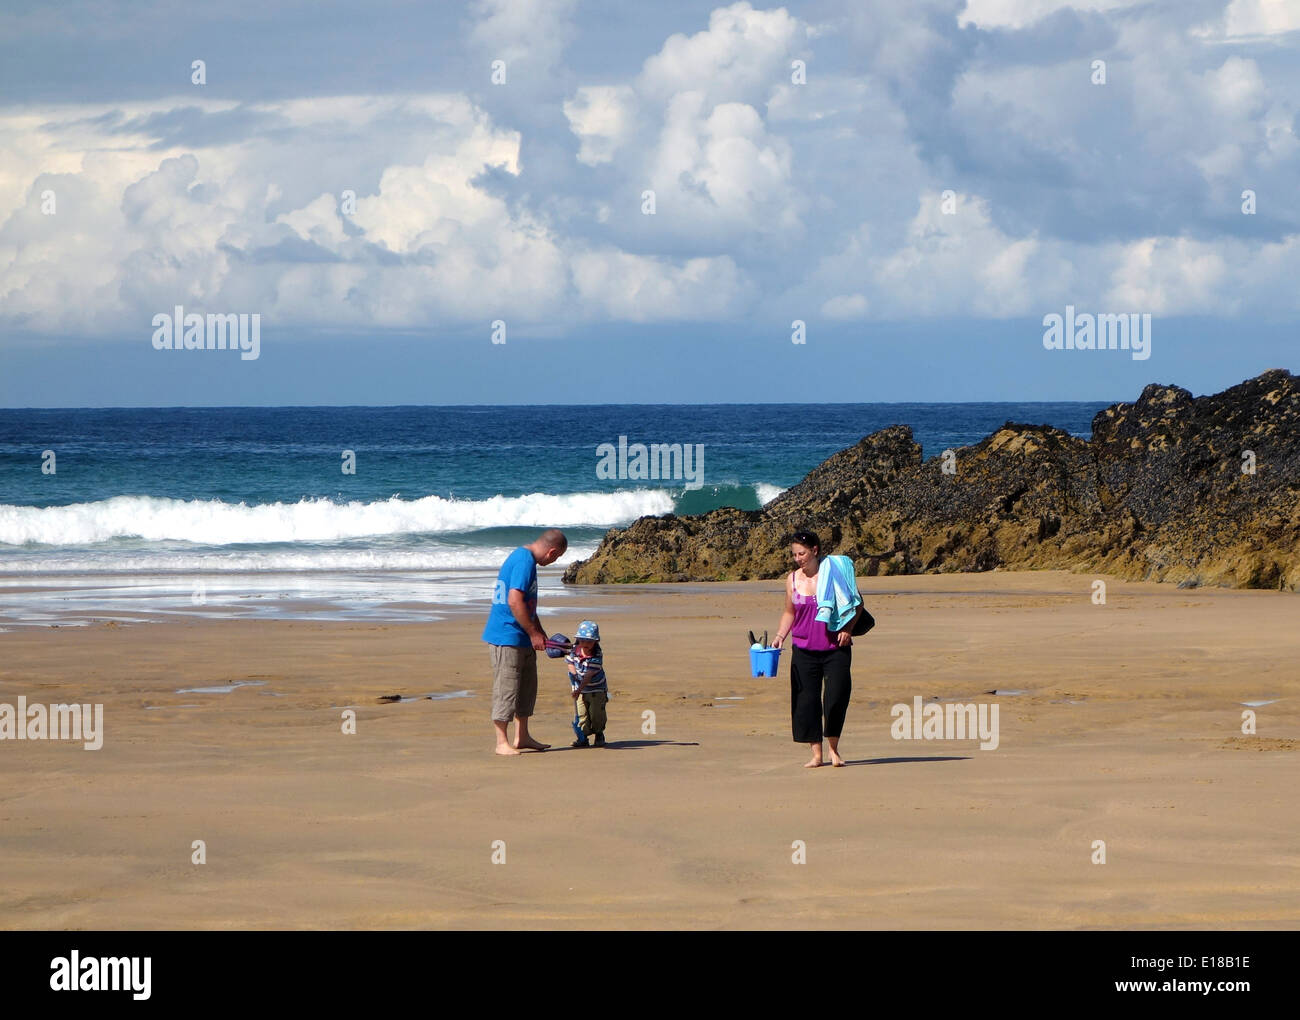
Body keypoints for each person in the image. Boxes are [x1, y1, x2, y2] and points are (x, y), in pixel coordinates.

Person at [771, 529, 863, 768]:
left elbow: (856, 603)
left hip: (835, 648)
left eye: (802, 553)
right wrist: (780, 636)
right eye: (794, 554)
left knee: (835, 698)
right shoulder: (792, 580)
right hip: (803, 649)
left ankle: (834, 750)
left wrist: (848, 629)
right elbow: (789, 612)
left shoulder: (834, 573)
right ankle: (816, 754)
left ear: (815, 551)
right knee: (806, 702)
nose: (798, 558)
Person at [482, 528, 568, 755]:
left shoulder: (526, 560)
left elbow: (528, 604)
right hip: (506, 636)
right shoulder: (523, 561)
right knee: (507, 688)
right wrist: (533, 634)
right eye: (557, 557)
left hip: (522, 636)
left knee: (527, 687)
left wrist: (540, 632)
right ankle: (502, 742)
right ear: (552, 552)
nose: (554, 561)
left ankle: (523, 736)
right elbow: (514, 601)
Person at [566, 620, 609, 748]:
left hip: (596, 688)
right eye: (582, 640)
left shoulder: (596, 656)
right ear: (578, 639)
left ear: (596, 641)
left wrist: (578, 689)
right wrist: (573, 674)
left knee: (596, 714)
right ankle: (582, 738)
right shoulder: (574, 650)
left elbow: (588, 676)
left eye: (589, 641)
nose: (585, 644)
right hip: (579, 688)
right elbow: (570, 663)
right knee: (581, 715)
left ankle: (599, 734)